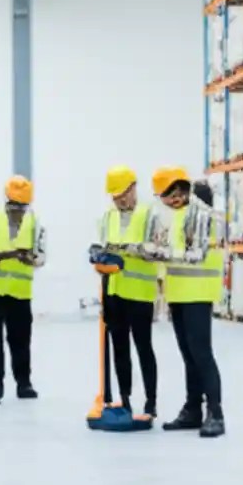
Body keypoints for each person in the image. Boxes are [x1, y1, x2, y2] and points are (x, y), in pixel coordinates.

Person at [148, 166, 226, 438]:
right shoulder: (178, 217)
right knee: (188, 354)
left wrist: (161, 252)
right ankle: (193, 409)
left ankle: (215, 413)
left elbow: (196, 254)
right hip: (179, 293)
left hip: (198, 292)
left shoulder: (203, 215)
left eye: (167, 196)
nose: (165, 202)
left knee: (201, 353)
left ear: (179, 190)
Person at [0, 175, 46, 406]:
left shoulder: (34, 223)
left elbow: (42, 256)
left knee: (21, 340)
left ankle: (24, 383)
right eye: (15, 207)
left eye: (22, 208)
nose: (18, 213)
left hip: (20, 292)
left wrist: (30, 258)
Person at [91, 165, 160, 417]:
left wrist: (134, 249)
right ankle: (125, 398)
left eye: (123, 193)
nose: (119, 199)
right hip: (114, 292)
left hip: (140, 294)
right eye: (115, 196)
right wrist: (97, 254)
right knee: (119, 348)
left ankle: (151, 402)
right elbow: (99, 244)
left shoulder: (149, 214)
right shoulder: (107, 217)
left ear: (133, 188)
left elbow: (157, 248)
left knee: (143, 347)